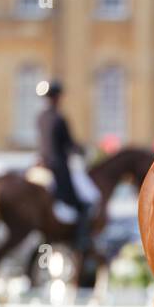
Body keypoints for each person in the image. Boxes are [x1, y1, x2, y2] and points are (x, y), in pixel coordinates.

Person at [35, 80, 99, 252]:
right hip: (58, 166)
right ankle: (81, 239)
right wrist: (85, 152)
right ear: (57, 98)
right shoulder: (59, 118)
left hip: (41, 163)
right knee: (84, 202)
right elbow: (69, 144)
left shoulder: (40, 117)